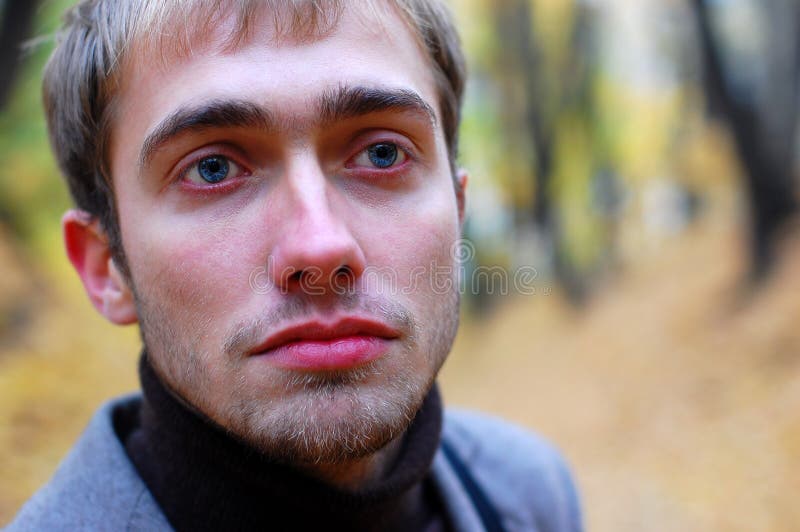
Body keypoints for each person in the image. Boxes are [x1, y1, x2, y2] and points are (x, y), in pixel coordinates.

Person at [9, 1, 582, 530]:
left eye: (382, 153)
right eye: (212, 169)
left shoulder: (531, 495)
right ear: (107, 265)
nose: (320, 247)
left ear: (457, 214)